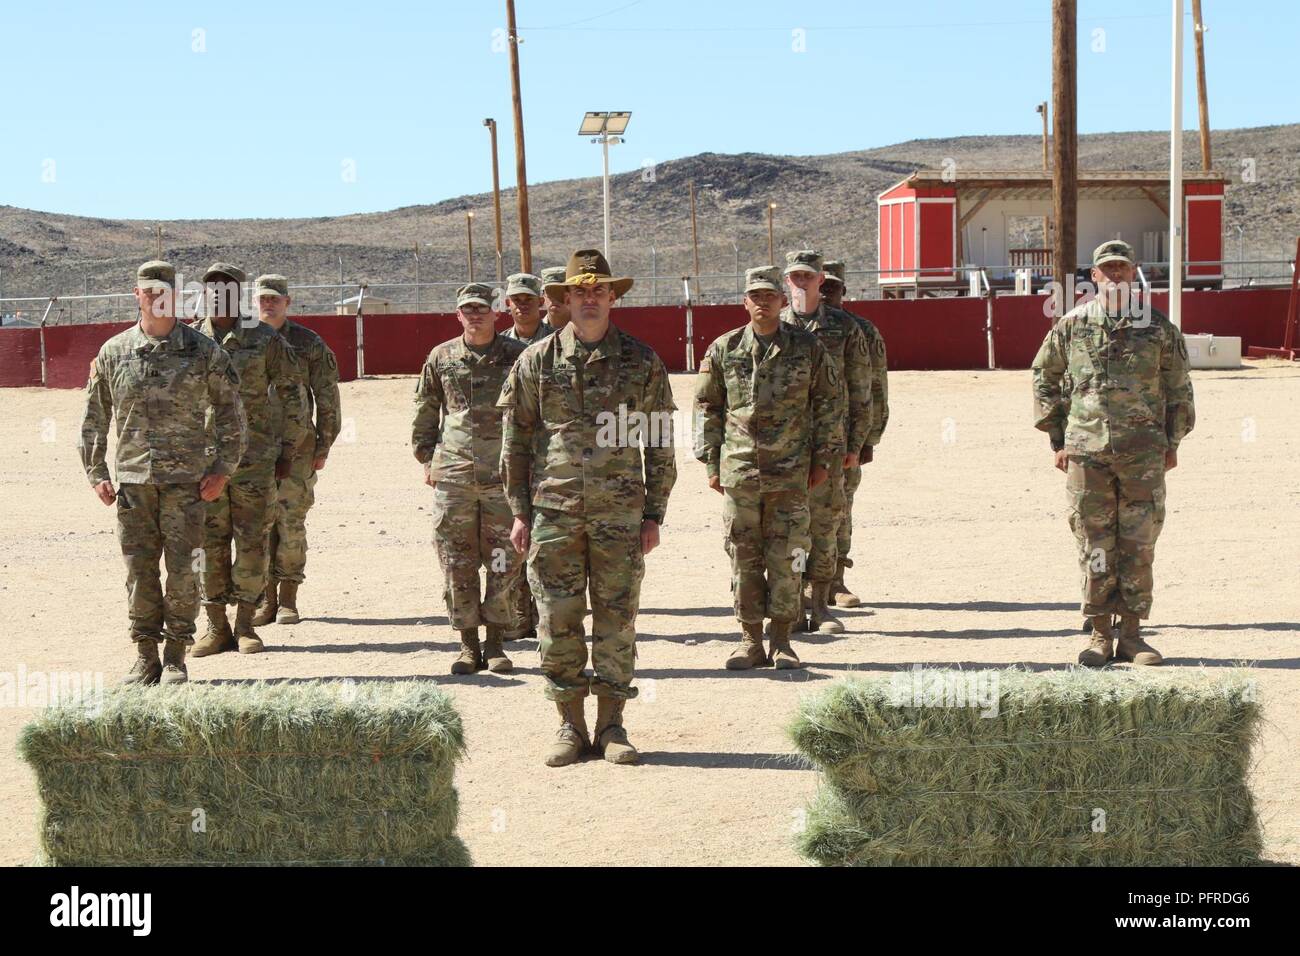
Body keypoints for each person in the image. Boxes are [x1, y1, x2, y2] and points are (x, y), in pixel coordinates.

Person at [499, 249, 676, 766]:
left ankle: (613, 727)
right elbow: (515, 442)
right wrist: (519, 511)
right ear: (565, 299)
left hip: (620, 517)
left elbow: (660, 441)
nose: (591, 298)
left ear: (613, 297)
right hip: (553, 512)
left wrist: (654, 514)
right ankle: (569, 727)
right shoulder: (536, 361)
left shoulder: (641, 361)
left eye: (600, 290)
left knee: (617, 621)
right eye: (581, 291)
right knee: (557, 620)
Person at [78, 260, 246, 685]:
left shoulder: (204, 351)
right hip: (133, 484)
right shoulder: (114, 352)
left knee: (185, 569)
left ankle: (175, 655)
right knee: (139, 571)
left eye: (164, 291)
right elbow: (95, 415)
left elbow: (232, 414)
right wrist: (95, 469)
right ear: (136, 295)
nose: (156, 298)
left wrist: (223, 469)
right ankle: (144, 656)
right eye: (148, 291)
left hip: (187, 483)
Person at [1031, 239, 1195, 666]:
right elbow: (1044, 377)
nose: (1116, 275)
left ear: (1134, 272)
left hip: (1143, 454)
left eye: (1123, 267)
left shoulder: (1159, 329)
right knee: (1095, 543)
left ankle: (1135, 636)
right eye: (1108, 269)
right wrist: (1057, 439)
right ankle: (1100, 635)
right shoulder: (1071, 326)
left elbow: (1180, 390)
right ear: (1095, 277)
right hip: (1088, 453)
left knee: (1138, 544)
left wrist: (1172, 442)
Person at [694, 266, 838, 670]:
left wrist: (823, 458)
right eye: (755, 296)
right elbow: (707, 407)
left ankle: (783, 641)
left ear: (781, 300)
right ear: (745, 302)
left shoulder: (806, 347)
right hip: (739, 470)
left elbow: (829, 402)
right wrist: (710, 460)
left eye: (769, 296)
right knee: (744, 557)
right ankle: (749, 640)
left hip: (791, 471)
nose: (762, 302)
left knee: (789, 556)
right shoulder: (724, 348)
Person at [191, 263, 306, 656]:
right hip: (203, 464)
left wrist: (289, 450)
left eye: (228, 287)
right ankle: (215, 625)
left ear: (240, 293)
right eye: (212, 288)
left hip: (255, 459)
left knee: (253, 542)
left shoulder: (264, 339)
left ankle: (245, 625)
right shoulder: (189, 339)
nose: (219, 293)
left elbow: (293, 394)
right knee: (208, 545)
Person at [413, 282, 528, 674]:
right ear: (458, 314)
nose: (475, 315)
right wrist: (427, 458)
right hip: (455, 476)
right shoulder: (441, 357)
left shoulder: (517, 356)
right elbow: (426, 409)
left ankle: (496, 644)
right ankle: (467, 645)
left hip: (503, 476)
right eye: (468, 309)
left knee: (502, 561)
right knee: (456, 562)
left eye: (482, 308)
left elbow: (534, 412)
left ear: (496, 313)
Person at [779, 250, 872, 634]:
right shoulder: (775, 324)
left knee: (825, 524)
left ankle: (822, 605)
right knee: (789, 528)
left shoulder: (845, 327)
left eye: (808, 277)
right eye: (795, 277)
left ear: (821, 281)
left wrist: (857, 443)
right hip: (785, 448)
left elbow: (861, 386)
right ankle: (795, 602)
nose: (801, 283)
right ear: (787, 282)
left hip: (830, 443)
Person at [248, 275, 342, 626]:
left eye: (275, 299)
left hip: (299, 447)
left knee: (290, 522)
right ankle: (262, 600)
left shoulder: (308, 343)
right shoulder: (242, 341)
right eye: (262, 299)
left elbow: (327, 394)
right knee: (254, 526)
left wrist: (325, 442)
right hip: (252, 449)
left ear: (288, 302)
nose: (268, 305)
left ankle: (288, 598)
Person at [820, 260, 889, 608]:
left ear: (844, 291)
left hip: (845, 438)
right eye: (821, 286)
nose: (825, 293)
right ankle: (803, 582)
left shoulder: (860, 330)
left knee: (840, 509)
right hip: (806, 439)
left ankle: (836, 580)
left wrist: (869, 438)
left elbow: (875, 386)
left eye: (832, 287)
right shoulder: (796, 328)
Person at [500, 272, 553, 346]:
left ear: (540, 302)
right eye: (516, 300)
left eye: (529, 299)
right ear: (508, 303)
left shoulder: (556, 339)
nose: (523, 305)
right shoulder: (500, 344)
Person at [539, 266, 571, 331]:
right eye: (550, 292)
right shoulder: (533, 331)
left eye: (560, 292)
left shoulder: (586, 330)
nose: (555, 298)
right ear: (543, 295)